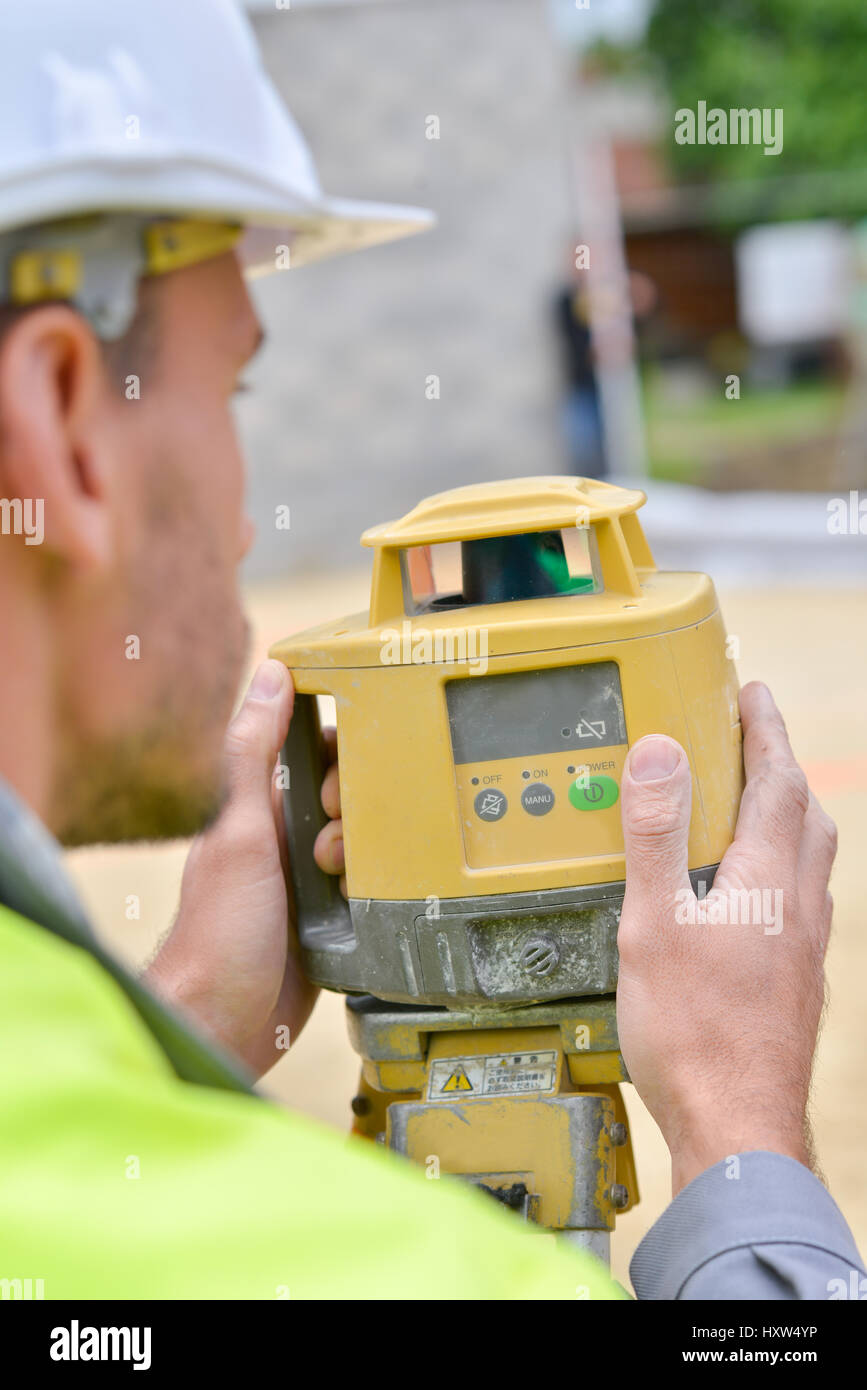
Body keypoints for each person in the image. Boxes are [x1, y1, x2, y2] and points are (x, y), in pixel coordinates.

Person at [0, 0, 863, 1301]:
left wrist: (179, 1028)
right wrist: (746, 1135)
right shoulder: (408, 1277)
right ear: (66, 416)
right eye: (229, 386)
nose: (243, 517)